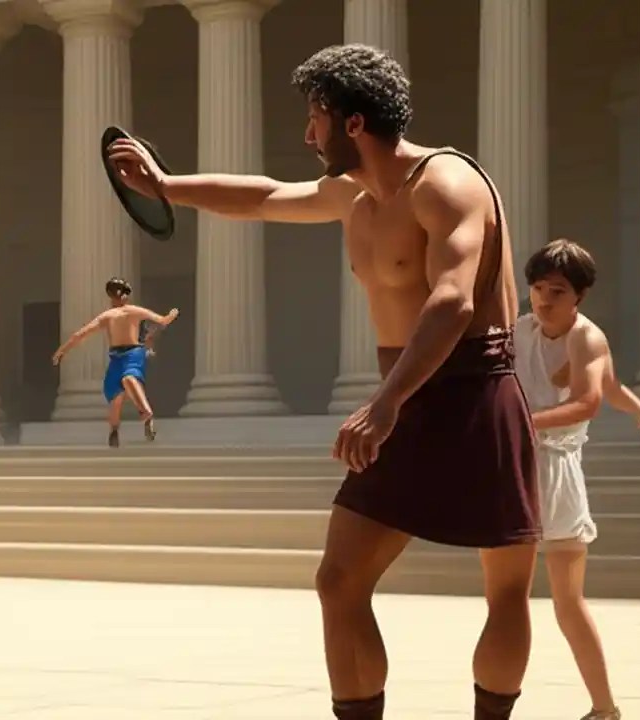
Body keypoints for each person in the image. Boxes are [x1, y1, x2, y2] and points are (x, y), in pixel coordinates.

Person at [108, 43, 540, 719]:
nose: (308, 136)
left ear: (353, 123)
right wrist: (166, 186)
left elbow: (453, 300)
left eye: (316, 118)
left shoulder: (447, 184)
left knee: (506, 588)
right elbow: (264, 197)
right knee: (339, 580)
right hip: (401, 396)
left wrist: (385, 403)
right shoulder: (353, 194)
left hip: (475, 391)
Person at [516, 239, 640, 720]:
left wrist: (522, 421)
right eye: (538, 288)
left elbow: (590, 399)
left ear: (579, 295)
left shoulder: (587, 338)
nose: (544, 299)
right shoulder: (521, 330)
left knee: (568, 602)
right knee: (507, 596)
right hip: (513, 466)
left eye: (557, 290)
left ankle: (605, 709)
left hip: (556, 470)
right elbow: (609, 385)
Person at [52, 277, 179, 447]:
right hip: (116, 357)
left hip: (133, 353)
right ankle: (114, 431)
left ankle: (146, 414)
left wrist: (170, 316)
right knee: (116, 396)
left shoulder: (129, 312)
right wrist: (62, 351)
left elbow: (162, 320)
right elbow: (81, 334)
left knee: (129, 378)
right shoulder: (112, 315)